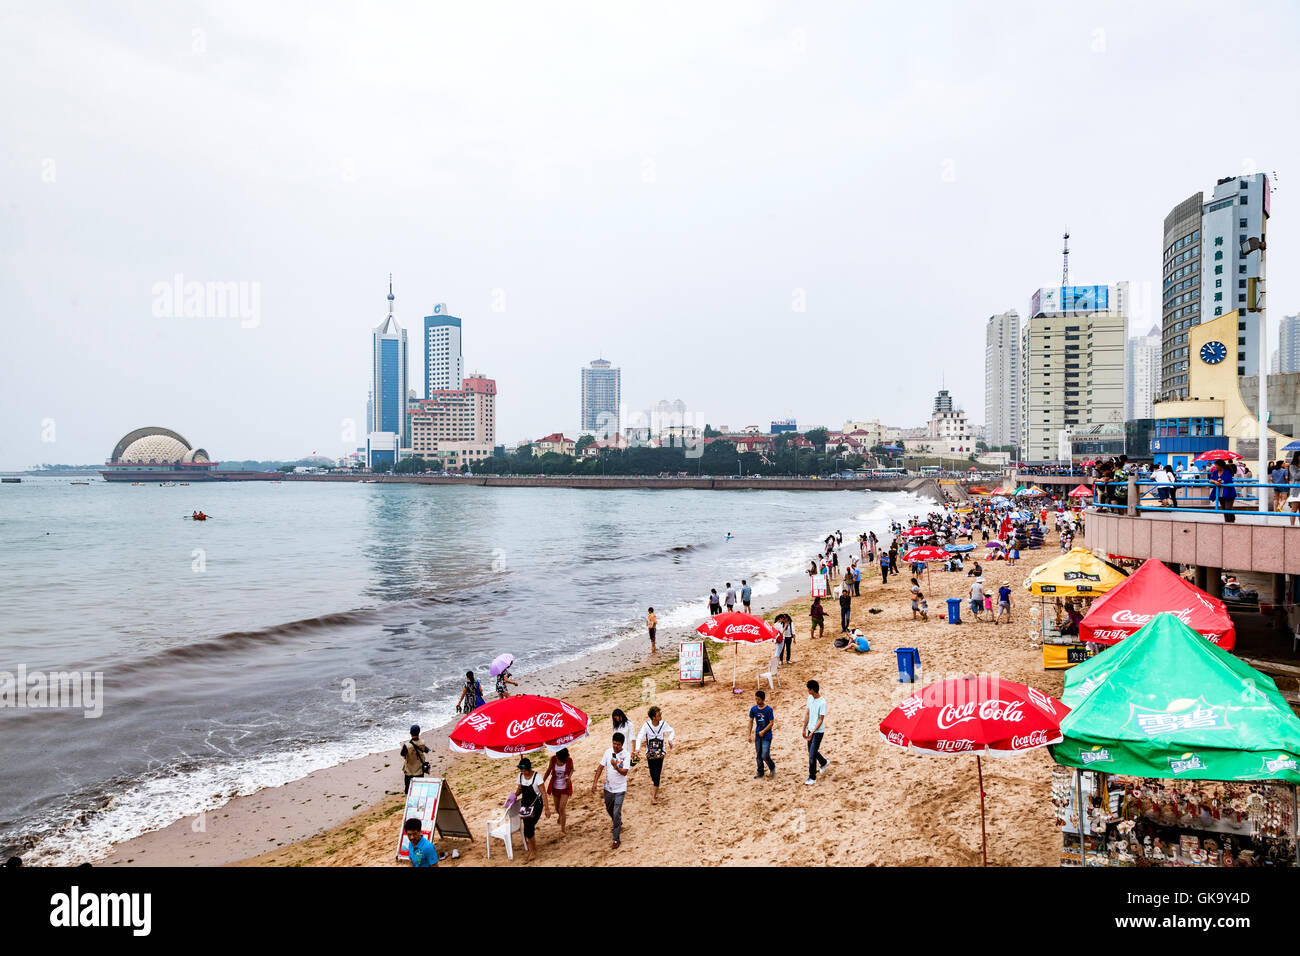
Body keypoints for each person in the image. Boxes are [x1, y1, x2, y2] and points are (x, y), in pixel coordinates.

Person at [592, 732, 631, 849]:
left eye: (618, 744)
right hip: (608, 788)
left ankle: (616, 839)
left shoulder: (626, 755)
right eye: (614, 743)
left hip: (620, 788)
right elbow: (600, 768)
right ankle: (617, 822)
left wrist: (615, 767)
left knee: (616, 812)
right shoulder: (608, 752)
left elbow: (625, 772)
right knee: (609, 809)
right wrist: (595, 782)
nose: (615, 746)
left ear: (622, 745)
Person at [634, 706, 675, 803]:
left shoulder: (663, 724)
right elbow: (640, 737)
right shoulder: (646, 726)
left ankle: (653, 797)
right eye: (658, 715)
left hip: (660, 753)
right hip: (650, 754)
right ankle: (655, 785)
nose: (661, 716)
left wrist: (670, 739)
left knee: (657, 774)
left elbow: (672, 731)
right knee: (652, 773)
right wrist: (637, 749)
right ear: (653, 717)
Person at [514, 757, 547, 861]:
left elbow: (543, 793)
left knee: (529, 826)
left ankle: (532, 851)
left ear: (529, 768)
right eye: (521, 771)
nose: (523, 772)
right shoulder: (520, 776)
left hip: (536, 805)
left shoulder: (537, 777)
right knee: (528, 827)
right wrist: (514, 796)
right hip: (525, 806)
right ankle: (532, 845)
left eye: (524, 770)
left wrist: (547, 808)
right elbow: (519, 789)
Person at [543, 747, 574, 835]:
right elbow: (548, 770)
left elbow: (572, 769)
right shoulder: (553, 759)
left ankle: (563, 830)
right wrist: (542, 781)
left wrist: (569, 777)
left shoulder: (569, 760)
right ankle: (560, 816)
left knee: (561, 808)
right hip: (555, 787)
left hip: (565, 787)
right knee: (557, 808)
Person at [803, 680, 828, 785]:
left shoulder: (822, 703)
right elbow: (808, 713)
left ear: (812, 689)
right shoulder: (810, 698)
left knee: (812, 755)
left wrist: (813, 732)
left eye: (808, 689)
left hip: (818, 732)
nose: (808, 691)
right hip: (810, 729)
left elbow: (821, 720)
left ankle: (812, 777)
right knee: (811, 751)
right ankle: (824, 762)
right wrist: (804, 728)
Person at [748, 689, 776, 778]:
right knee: (758, 754)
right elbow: (751, 721)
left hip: (766, 735)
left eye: (758, 699)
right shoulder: (753, 709)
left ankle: (772, 767)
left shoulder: (768, 709)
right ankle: (760, 771)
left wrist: (763, 731)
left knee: (765, 754)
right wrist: (749, 734)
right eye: (756, 699)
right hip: (758, 735)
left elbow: (771, 722)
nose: (757, 701)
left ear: (763, 699)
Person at [400, 724, 430, 794]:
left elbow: (402, 754)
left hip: (409, 771)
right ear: (419, 732)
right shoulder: (422, 743)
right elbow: (427, 751)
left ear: (410, 733)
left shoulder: (407, 745)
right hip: (419, 771)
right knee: (419, 790)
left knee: (408, 790)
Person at [1209, 459, 1237, 523]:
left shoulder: (1228, 472)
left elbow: (1228, 480)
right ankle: (1227, 522)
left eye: (1216, 466)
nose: (1215, 467)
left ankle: (1232, 520)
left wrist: (1219, 482)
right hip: (1220, 493)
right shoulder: (1215, 472)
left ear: (1220, 466)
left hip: (1228, 492)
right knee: (1224, 509)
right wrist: (1215, 481)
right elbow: (1210, 480)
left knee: (1228, 508)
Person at [1288, 451, 1300, 526]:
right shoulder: (1292, 466)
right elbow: (1296, 476)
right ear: (1297, 457)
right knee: (1294, 509)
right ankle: (1292, 526)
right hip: (1296, 490)